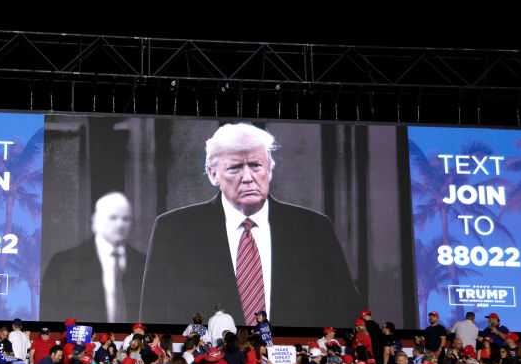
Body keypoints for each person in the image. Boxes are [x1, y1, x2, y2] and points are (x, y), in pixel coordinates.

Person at [140, 123, 361, 325]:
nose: (247, 177)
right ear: (212, 174)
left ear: (270, 169)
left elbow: (348, 313)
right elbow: (152, 315)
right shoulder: (173, 230)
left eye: (255, 165)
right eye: (235, 168)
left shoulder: (314, 229)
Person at [41, 192, 147, 322]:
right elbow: (49, 312)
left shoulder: (145, 264)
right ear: (97, 220)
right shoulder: (62, 263)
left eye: (126, 219)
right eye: (113, 218)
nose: (120, 224)